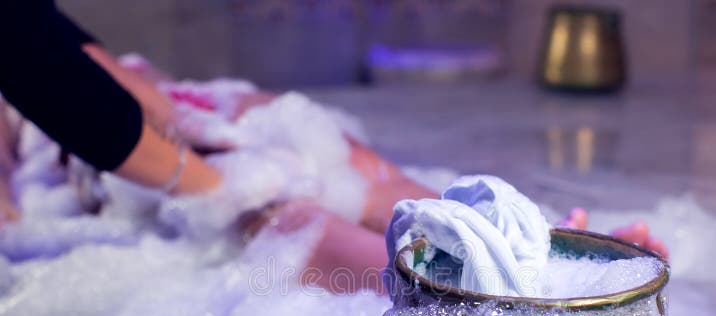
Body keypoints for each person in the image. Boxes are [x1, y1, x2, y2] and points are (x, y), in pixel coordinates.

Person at [0, 1, 666, 294]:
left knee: (338, 156)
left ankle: (519, 247)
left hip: (126, 102)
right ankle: (445, 292)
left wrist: (192, 118)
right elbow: (43, 79)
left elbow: (62, 47)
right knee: (267, 212)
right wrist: (215, 182)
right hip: (69, 150)